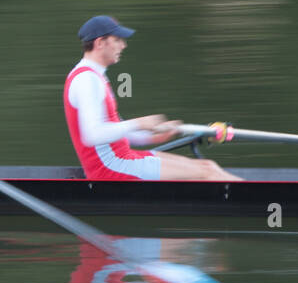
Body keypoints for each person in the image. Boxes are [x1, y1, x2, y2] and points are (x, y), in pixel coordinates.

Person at [64, 16, 242, 182]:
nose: (123, 45)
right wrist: (139, 123)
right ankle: (261, 204)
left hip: (122, 158)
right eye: (117, 40)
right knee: (207, 173)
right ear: (100, 43)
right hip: (110, 168)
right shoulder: (87, 80)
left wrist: (155, 135)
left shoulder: (94, 76)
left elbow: (115, 129)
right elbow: (92, 135)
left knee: (207, 166)